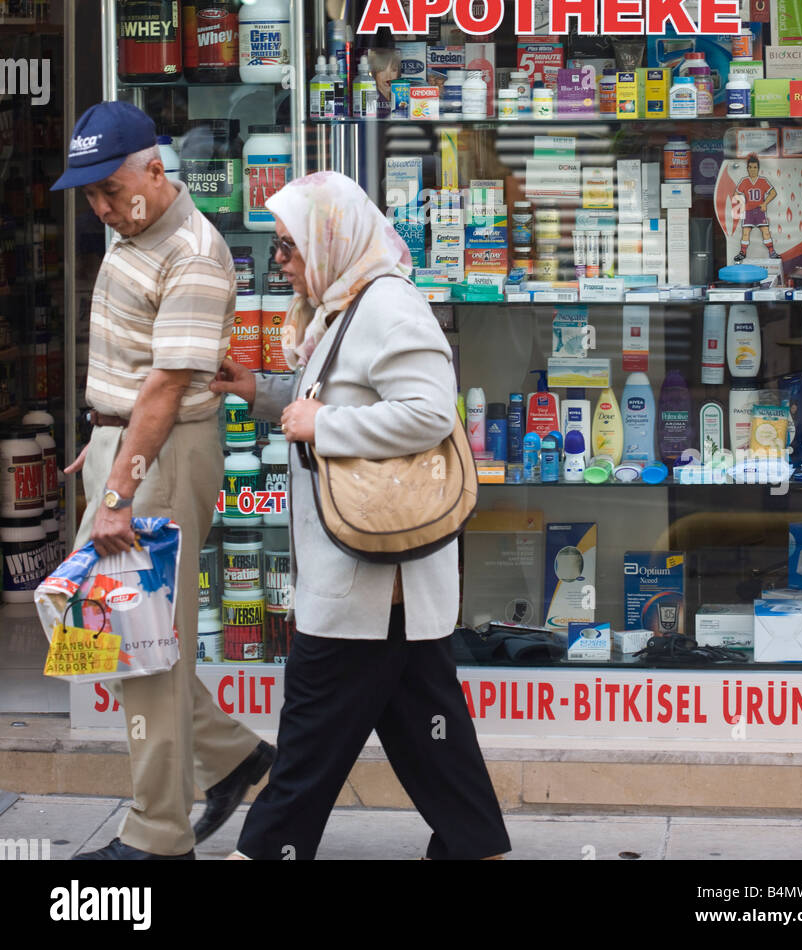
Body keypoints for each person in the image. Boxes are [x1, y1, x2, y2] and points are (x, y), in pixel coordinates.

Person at [210, 171, 510, 861]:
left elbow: (431, 412)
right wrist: (259, 391)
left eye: (288, 246)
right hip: (379, 579)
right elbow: (335, 394)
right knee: (425, 725)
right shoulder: (345, 303)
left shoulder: (388, 306)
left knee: (312, 730)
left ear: (330, 237)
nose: (280, 261)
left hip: (369, 580)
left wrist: (327, 425)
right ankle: (476, 845)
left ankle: (263, 852)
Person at [54, 102, 275, 861]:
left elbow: (166, 386)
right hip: (130, 447)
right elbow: (132, 380)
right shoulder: (136, 227)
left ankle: (157, 840)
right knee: (108, 632)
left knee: (137, 648)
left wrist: (122, 484)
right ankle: (234, 756)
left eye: (109, 189)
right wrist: (106, 435)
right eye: (88, 195)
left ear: (157, 169)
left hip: (163, 457)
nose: (100, 207)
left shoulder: (193, 252)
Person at [733, 154, 778, 262]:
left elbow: (773, 193)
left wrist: (765, 203)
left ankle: (772, 251)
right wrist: (743, 204)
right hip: (748, 212)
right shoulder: (744, 181)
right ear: (747, 169)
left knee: (766, 231)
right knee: (745, 232)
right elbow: (736, 194)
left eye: (755, 167)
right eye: (750, 167)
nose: (753, 170)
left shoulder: (763, 181)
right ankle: (743, 252)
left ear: (758, 168)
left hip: (759, 211)